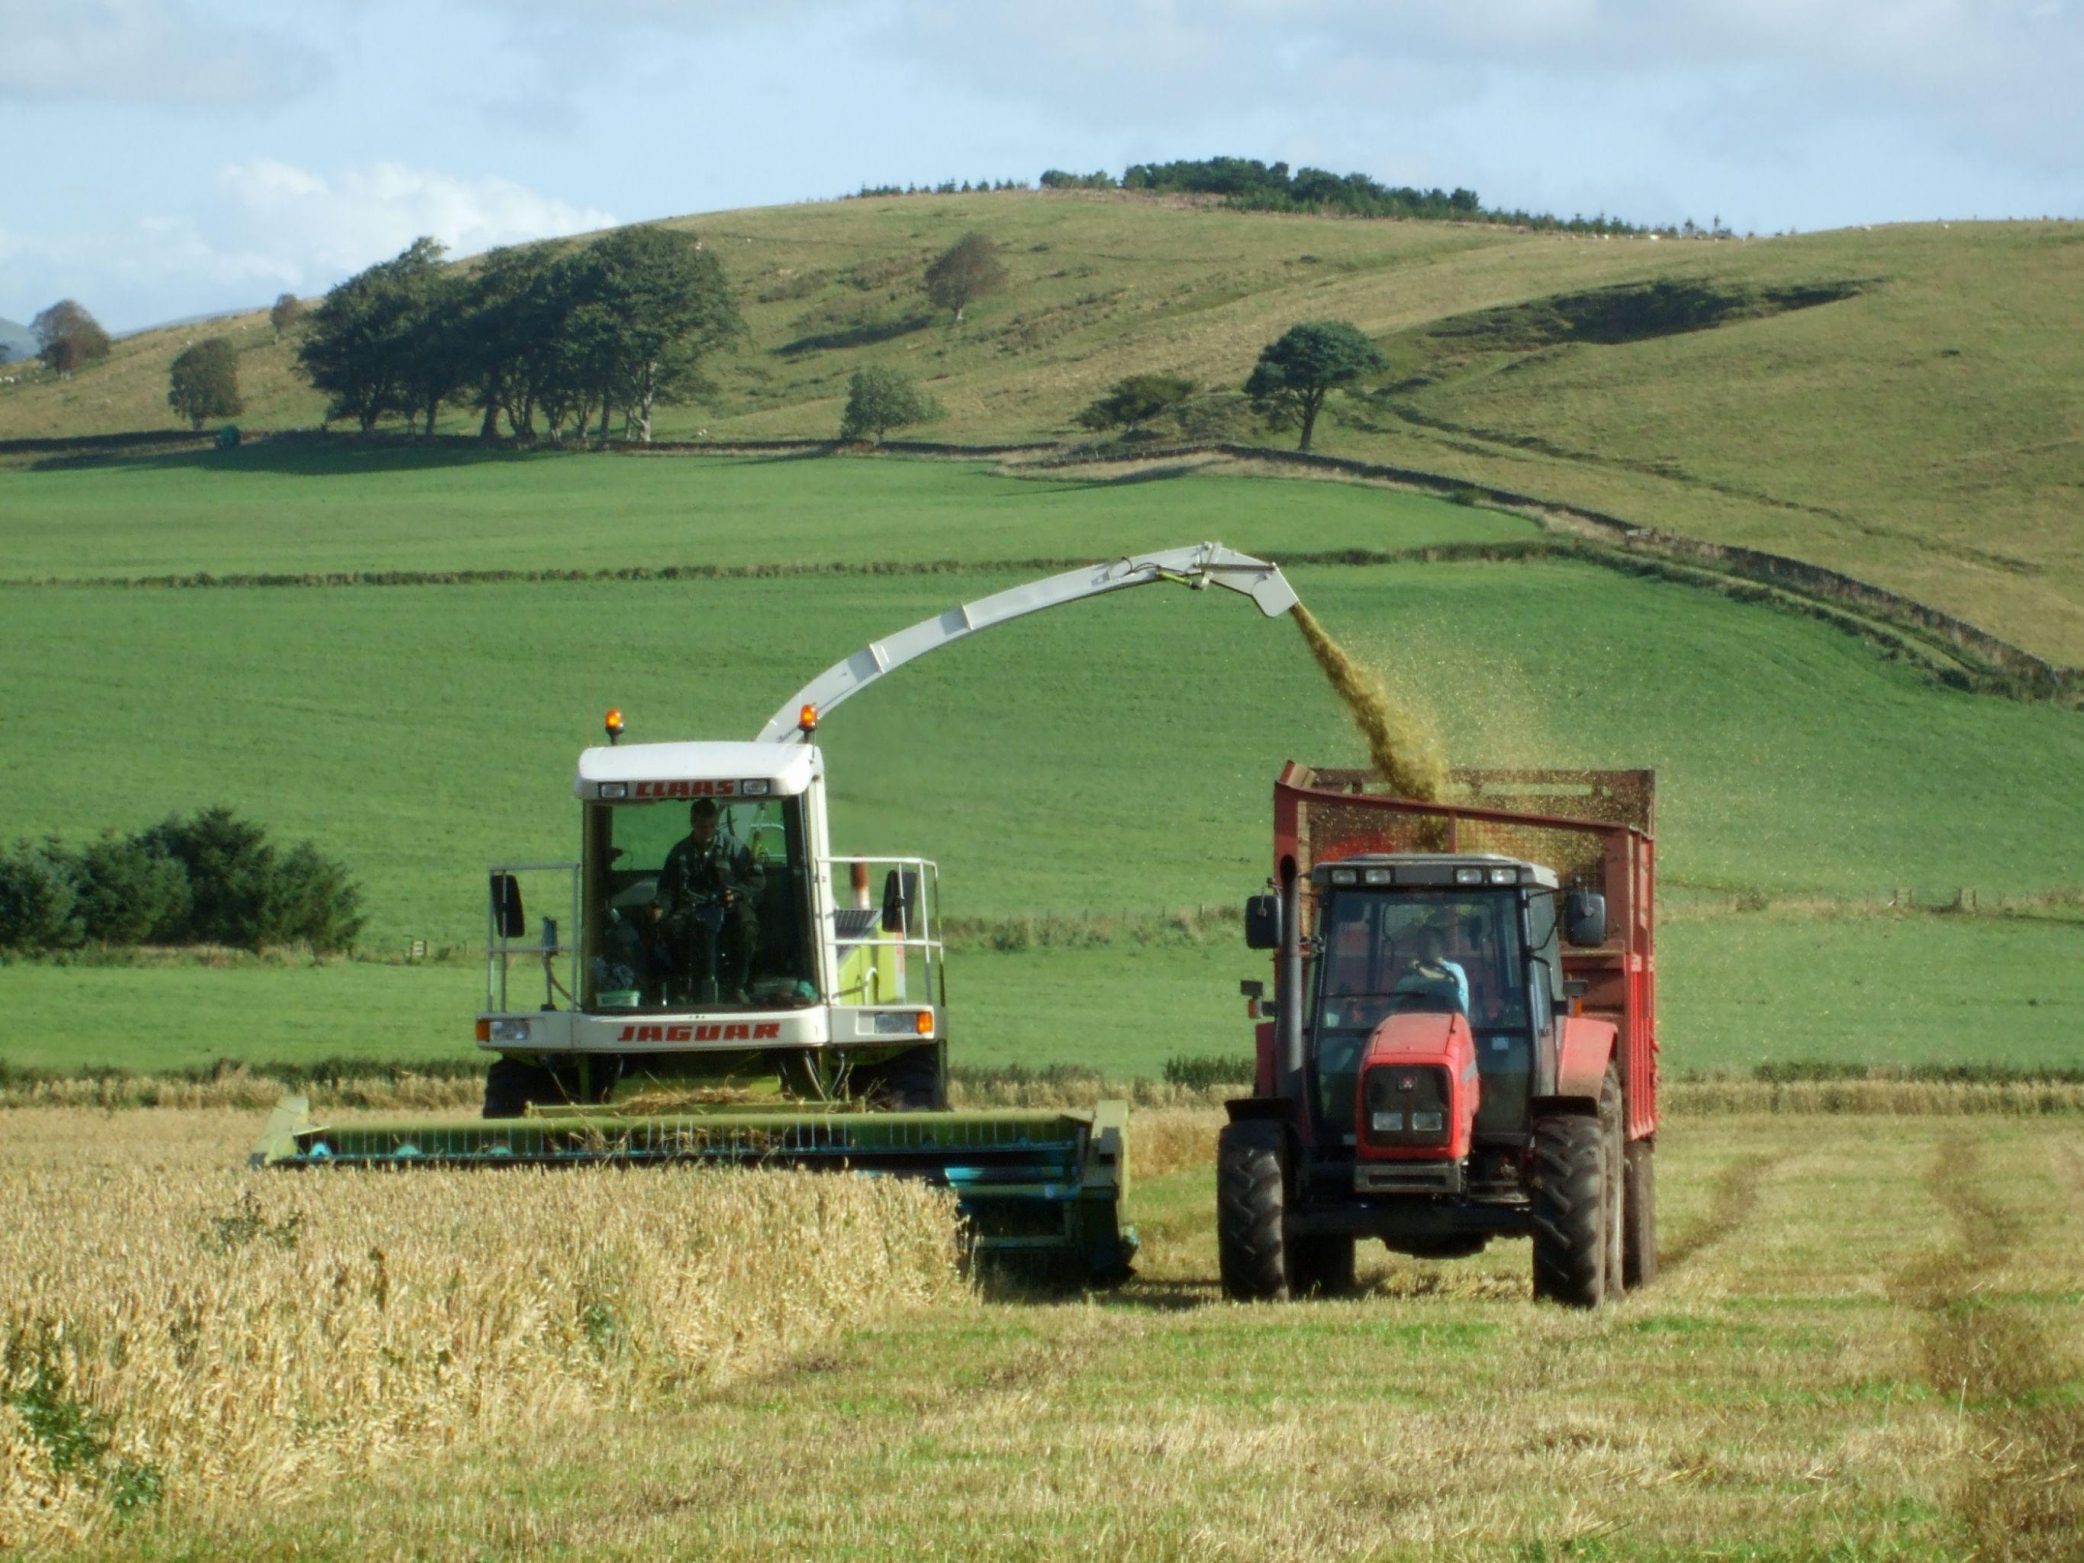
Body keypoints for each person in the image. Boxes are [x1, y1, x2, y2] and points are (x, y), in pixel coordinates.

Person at [658, 799, 764, 1002]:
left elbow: (757, 880)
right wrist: (659, 907)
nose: (706, 831)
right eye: (701, 826)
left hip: (729, 906)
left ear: (716, 824)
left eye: (711, 826)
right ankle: (682, 987)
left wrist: (737, 892)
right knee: (672, 929)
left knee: (747, 927)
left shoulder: (734, 848)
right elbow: (666, 888)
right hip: (691, 907)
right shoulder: (679, 852)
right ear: (692, 823)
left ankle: (738, 986)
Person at [1392, 923, 1470, 1015]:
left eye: (1427, 943)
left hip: (1450, 1024)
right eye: (1419, 944)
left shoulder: (1454, 968)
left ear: (1441, 946)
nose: (1422, 948)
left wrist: (1420, 969)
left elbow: (1450, 982)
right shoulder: (1412, 973)